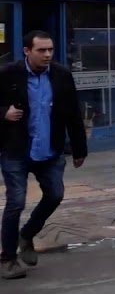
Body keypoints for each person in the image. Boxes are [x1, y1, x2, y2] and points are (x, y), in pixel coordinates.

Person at [0, 31, 88, 280]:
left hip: (49, 150)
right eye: (41, 50)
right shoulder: (8, 74)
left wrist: (79, 149)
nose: (47, 54)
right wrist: (3, 112)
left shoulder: (61, 75)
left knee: (55, 195)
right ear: (27, 51)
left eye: (50, 50)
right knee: (16, 202)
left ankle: (26, 235)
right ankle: (8, 258)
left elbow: (73, 113)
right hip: (16, 149)